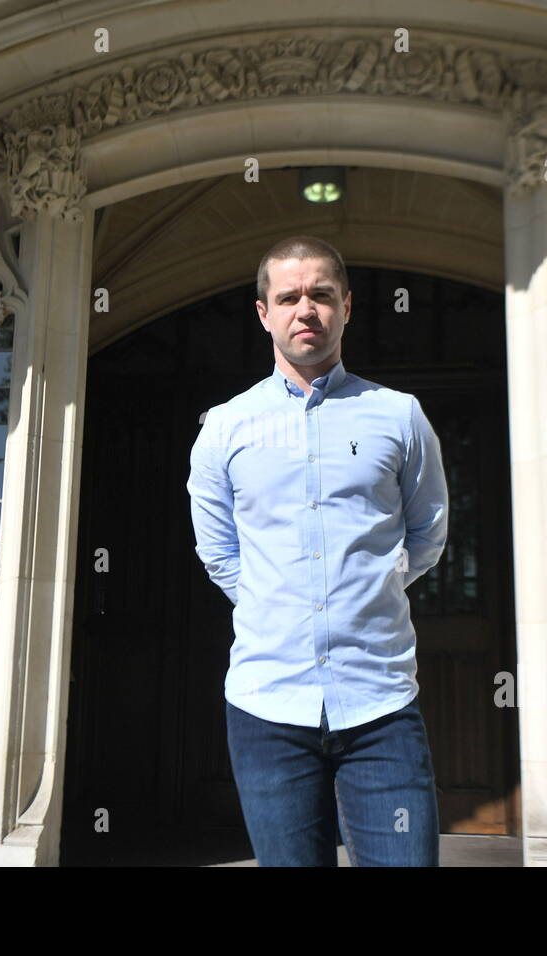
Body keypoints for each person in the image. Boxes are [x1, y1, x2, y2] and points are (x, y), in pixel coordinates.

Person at [186, 235, 450, 866]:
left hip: (381, 704)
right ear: (264, 313)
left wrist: (365, 589)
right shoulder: (224, 427)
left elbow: (428, 533)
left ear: (347, 306)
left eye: (321, 295)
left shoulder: (399, 417)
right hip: (267, 708)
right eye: (289, 297)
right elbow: (218, 550)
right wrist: (282, 603)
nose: (306, 309)